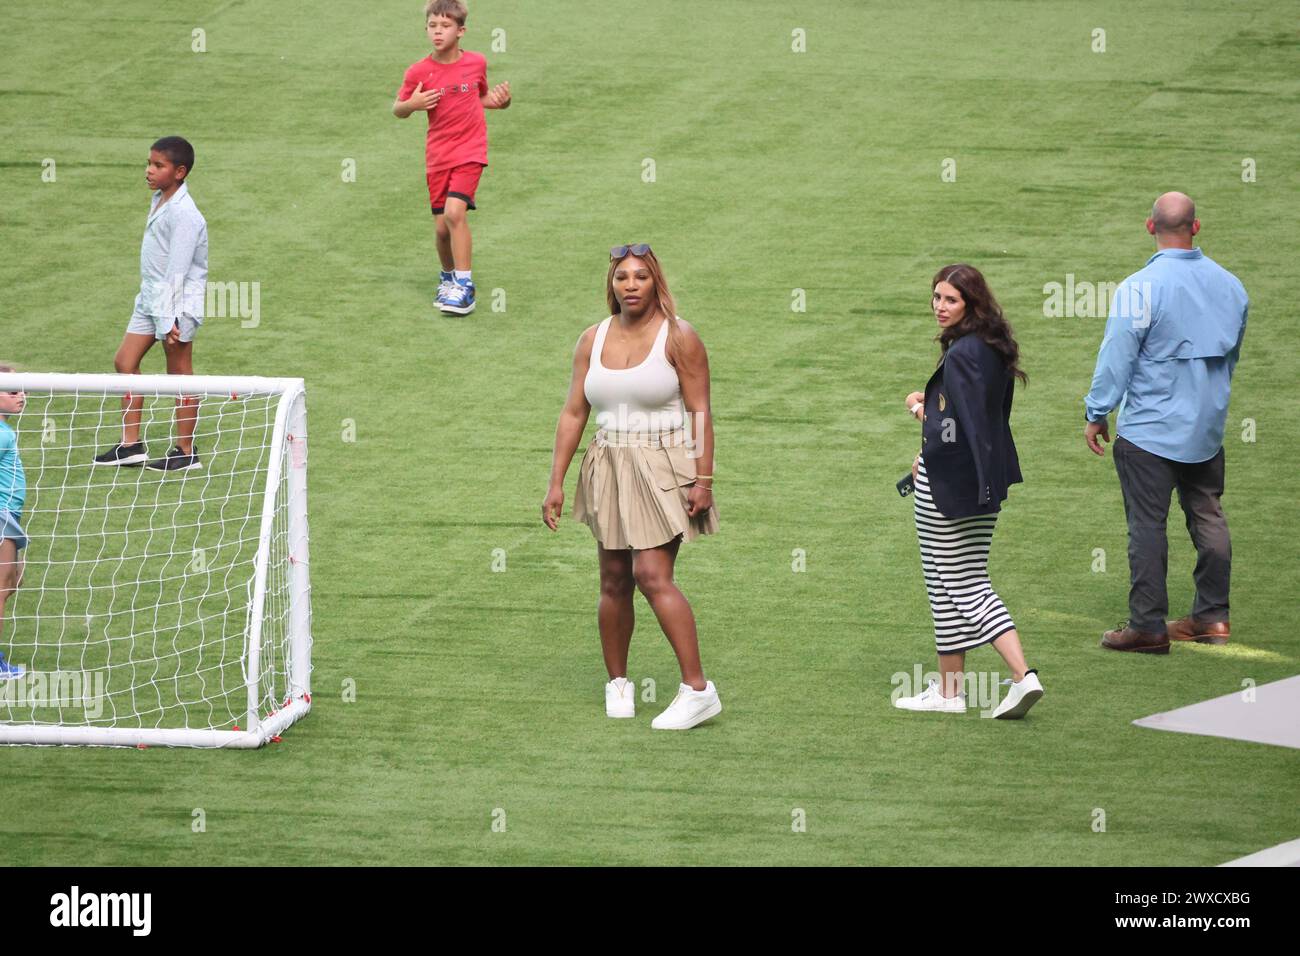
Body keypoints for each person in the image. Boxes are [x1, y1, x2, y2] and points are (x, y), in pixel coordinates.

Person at [542, 245, 721, 730]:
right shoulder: (591, 339)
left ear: (655, 281)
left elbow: (699, 411)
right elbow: (575, 411)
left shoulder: (680, 337)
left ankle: (697, 690)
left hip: (664, 464)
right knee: (613, 579)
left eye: (641, 276)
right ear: (612, 285)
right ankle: (618, 683)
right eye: (623, 277)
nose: (631, 285)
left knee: (651, 574)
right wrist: (556, 481)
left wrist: (704, 479)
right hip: (609, 462)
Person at [1085, 192, 1248, 654]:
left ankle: (1147, 626)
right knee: (1209, 515)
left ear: (1149, 226)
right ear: (1196, 227)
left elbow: (1116, 358)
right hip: (1206, 432)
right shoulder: (1232, 286)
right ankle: (1213, 618)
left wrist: (1097, 412)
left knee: (1147, 527)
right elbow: (1229, 358)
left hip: (1150, 432)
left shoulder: (1139, 288)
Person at [894, 264, 1043, 719]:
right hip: (982, 484)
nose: (940, 307)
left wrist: (921, 410)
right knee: (945, 583)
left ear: (971, 304)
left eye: (950, 300)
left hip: (947, 488)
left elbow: (956, 426)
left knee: (962, 584)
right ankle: (949, 691)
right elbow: (979, 418)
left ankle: (1023, 676)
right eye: (937, 298)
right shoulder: (990, 348)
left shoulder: (962, 354)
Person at [93, 136, 207, 473]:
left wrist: (167, 317)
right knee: (124, 361)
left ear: (180, 171)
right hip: (150, 299)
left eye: (158, 166)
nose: (149, 171)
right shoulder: (160, 199)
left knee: (179, 374)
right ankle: (131, 446)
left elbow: (177, 270)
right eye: (149, 163)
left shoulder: (186, 214)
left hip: (176, 304)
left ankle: (186, 452)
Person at [393, 0, 512, 315]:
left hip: (471, 151)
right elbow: (398, 109)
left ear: (461, 31)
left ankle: (464, 285)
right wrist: (413, 103)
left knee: (455, 213)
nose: (437, 31)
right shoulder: (418, 71)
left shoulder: (476, 63)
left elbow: (480, 96)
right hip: (437, 157)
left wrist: (501, 102)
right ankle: (447, 278)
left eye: (445, 26)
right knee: (442, 229)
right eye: (432, 25)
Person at [0, 369, 28, 680]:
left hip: (8, 517)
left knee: (9, 584)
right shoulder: (2, 434)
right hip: (2, 517)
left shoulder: (5, 430)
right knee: (2, 587)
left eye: (22, 391)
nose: (21, 396)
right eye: (12, 392)